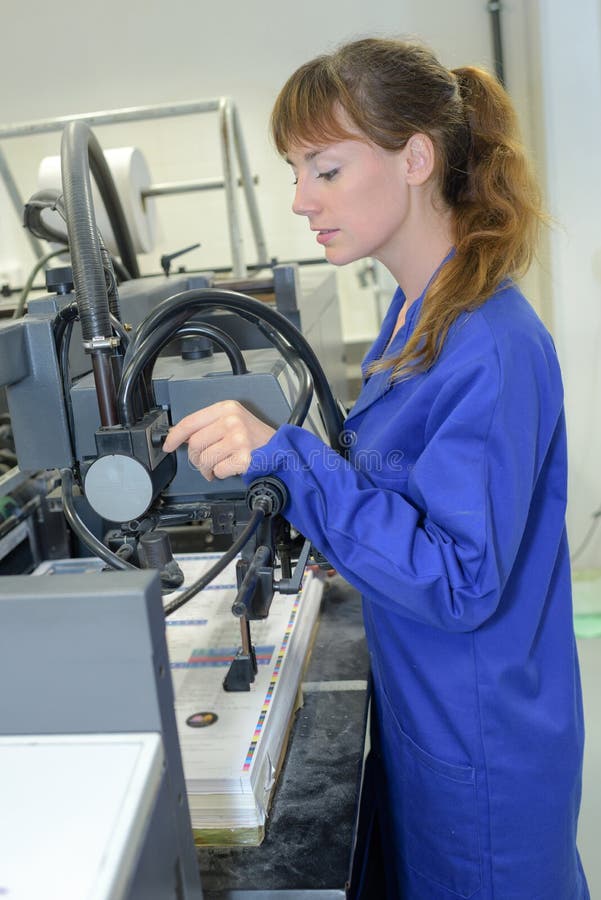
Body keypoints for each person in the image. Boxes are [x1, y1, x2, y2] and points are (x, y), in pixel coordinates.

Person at [163, 37, 589, 899]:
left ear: (415, 159)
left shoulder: (491, 346)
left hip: (482, 740)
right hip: (433, 713)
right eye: (293, 172)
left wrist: (288, 459)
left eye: (323, 169)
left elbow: (461, 578)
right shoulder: (415, 316)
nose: (298, 201)